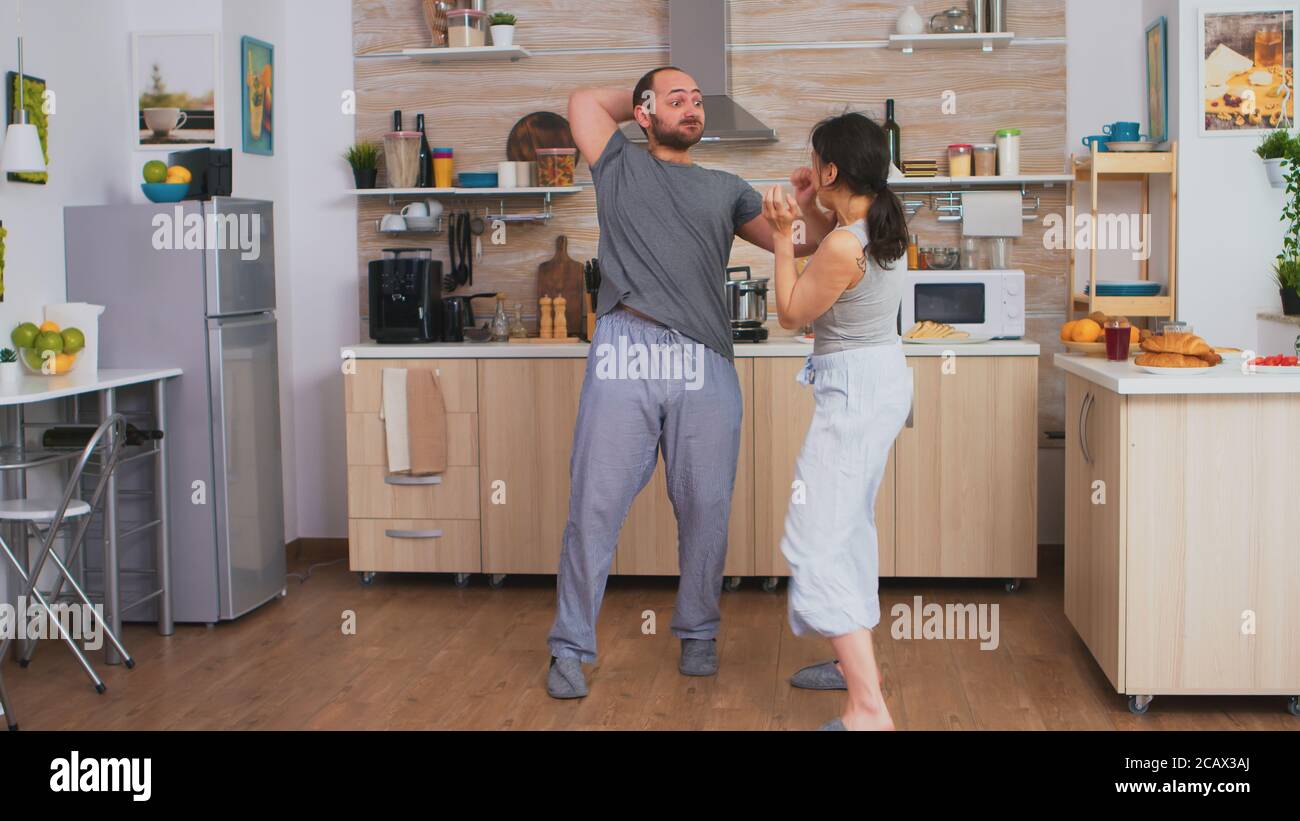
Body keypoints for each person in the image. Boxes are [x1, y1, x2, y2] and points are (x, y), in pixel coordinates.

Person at [546, 67, 826, 699]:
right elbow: (583, 101)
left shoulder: (726, 188)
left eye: (699, 101)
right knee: (594, 504)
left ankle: (698, 630)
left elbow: (802, 243)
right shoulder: (616, 161)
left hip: (703, 358)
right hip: (626, 348)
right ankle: (570, 648)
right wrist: (652, 91)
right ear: (643, 114)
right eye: (679, 101)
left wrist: (808, 204)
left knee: (707, 506)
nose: (693, 108)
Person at [760, 112, 912, 730]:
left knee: (814, 539)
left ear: (832, 169)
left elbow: (792, 313)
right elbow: (832, 244)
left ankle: (867, 711)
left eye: (815, 159)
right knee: (848, 527)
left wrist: (779, 232)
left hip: (855, 391)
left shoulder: (847, 243)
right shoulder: (872, 222)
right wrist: (811, 203)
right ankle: (853, 667)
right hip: (877, 381)